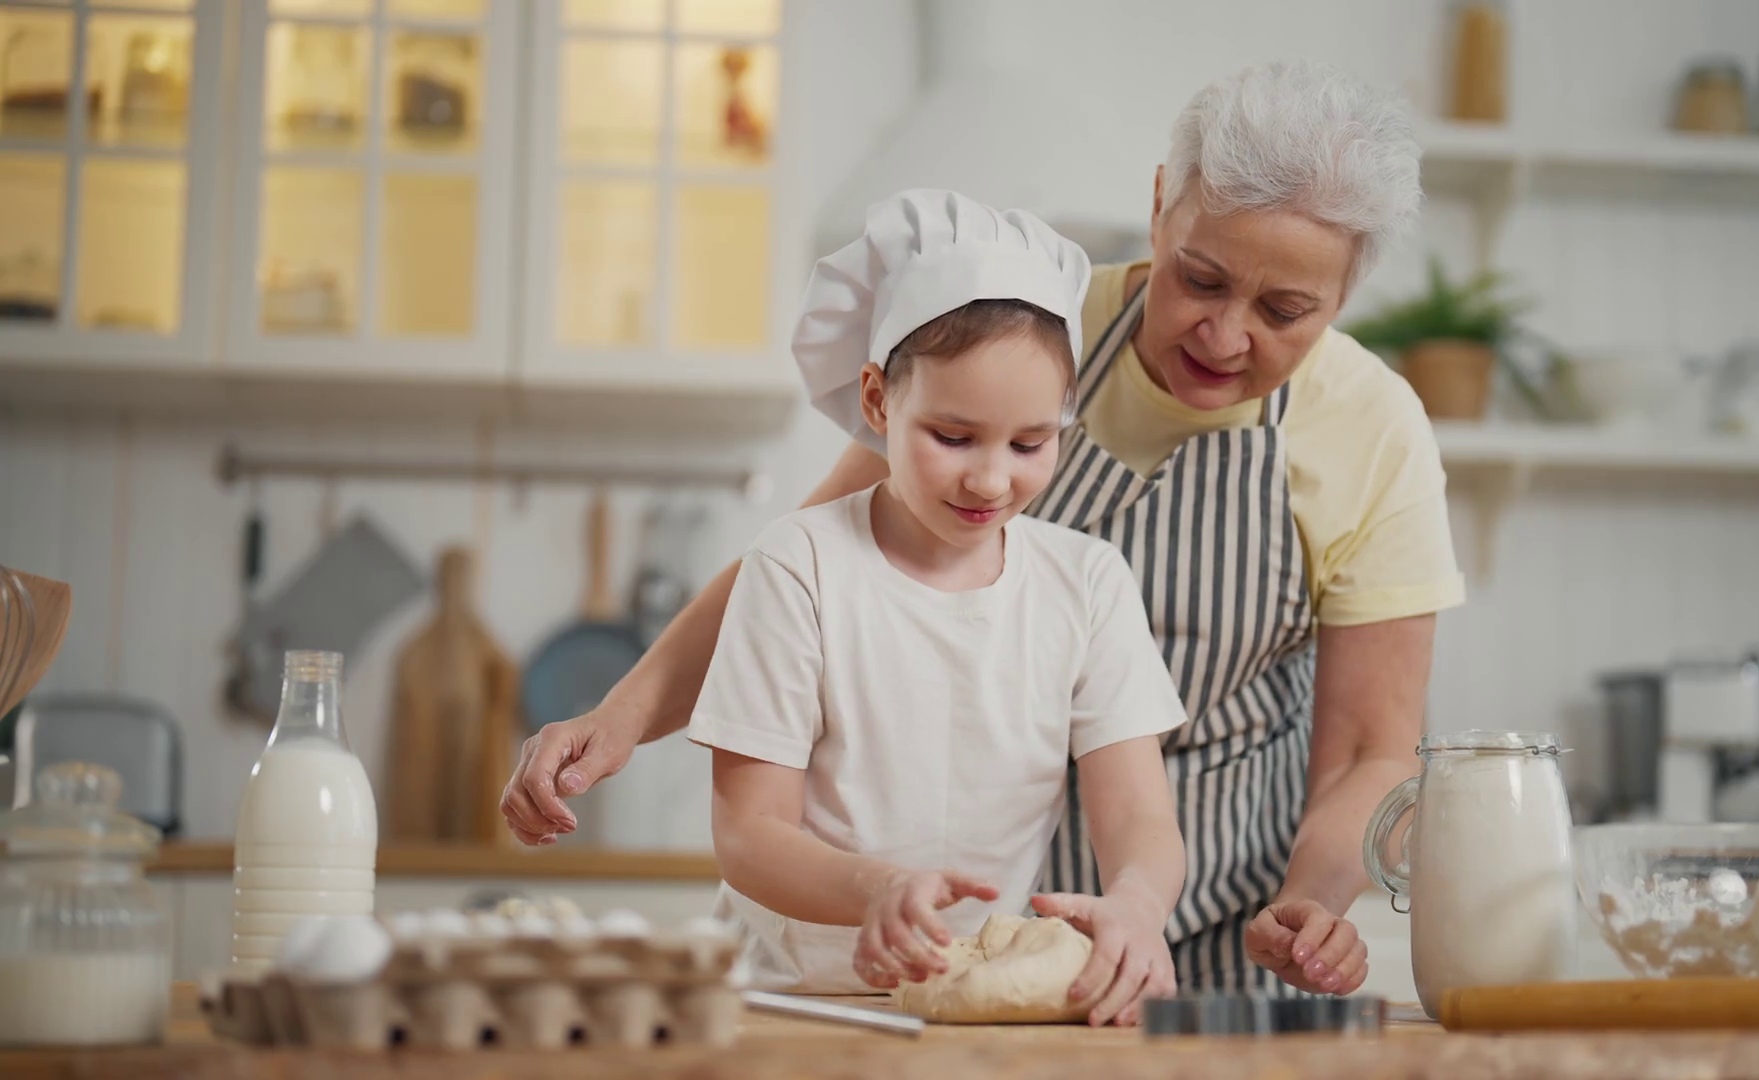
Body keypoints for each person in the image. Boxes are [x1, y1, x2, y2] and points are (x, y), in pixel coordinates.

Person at [502, 59, 1464, 997]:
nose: (1223, 335)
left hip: (1208, 932)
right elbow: (805, 557)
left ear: (1346, 296)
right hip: (975, 939)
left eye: (1285, 310)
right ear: (1163, 204)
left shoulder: (1369, 428)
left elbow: (1367, 748)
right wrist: (617, 718)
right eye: (1200, 279)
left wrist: (1305, 904)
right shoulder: (1019, 324)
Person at [688, 189, 1186, 1027]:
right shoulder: (799, 564)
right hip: (790, 1003)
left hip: (973, 1002)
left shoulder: (1088, 582)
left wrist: (1137, 905)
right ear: (879, 402)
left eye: (1031, 444)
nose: (992, 481)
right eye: (952, 438)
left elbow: (1137, 811)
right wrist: (875, 889)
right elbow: (748, 833)